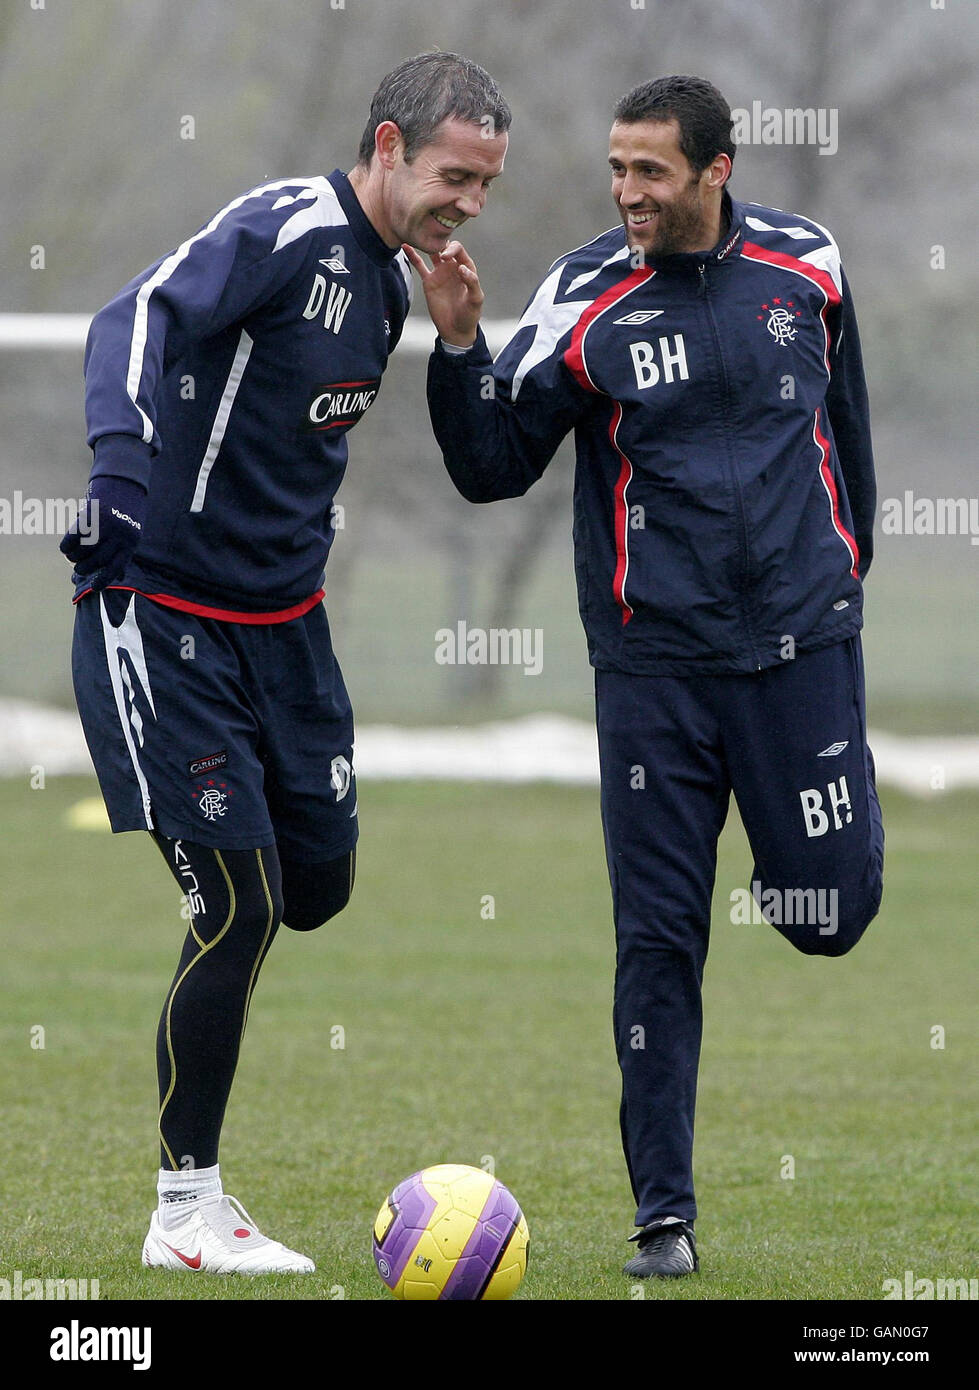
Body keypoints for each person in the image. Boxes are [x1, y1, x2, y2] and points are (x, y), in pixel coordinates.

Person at [406, 74, 884, 1279]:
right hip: (652, 675)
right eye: (615, 168)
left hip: (798, 655)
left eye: (650, 172)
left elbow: (851, 443)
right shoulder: (580, 298)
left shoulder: (808, 267)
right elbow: (491, 466)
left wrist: (836, 586)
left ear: (715, 171)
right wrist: (460, 344)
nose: (625, 192)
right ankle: (660, 1217)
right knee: (659, 938)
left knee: (828, 916)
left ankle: (804, 848)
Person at [60, 52, 510, 1276]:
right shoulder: (284, 228)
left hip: (288, 634)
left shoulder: (393, 288)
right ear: (384, 146)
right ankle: (184, 1209)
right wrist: (115, 474)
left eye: (484, 185)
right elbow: (134, 315)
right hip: (164, 615)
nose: (466, 203)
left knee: (316, 888)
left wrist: (464, 341)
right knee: (237, 906)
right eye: (451, 176)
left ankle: (192, 1169)